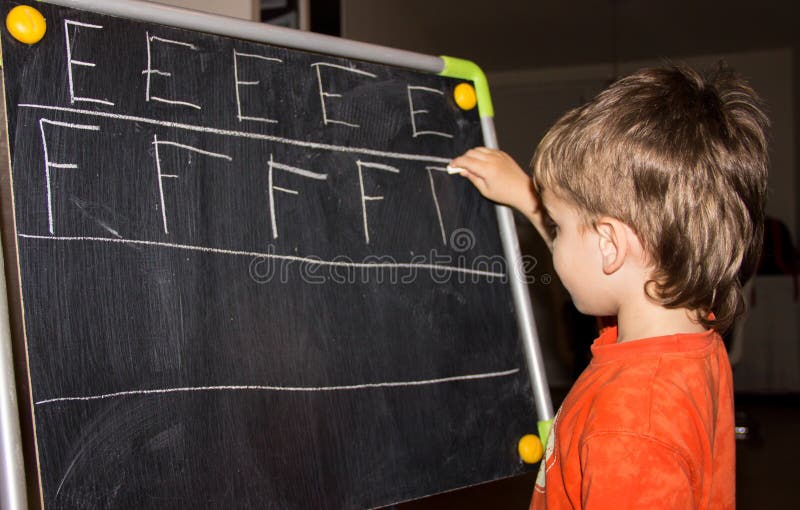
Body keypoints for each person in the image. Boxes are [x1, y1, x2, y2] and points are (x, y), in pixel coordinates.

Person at [450, 64, 769, 509]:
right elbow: (601, 265)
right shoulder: (686, 336)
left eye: (558, 227)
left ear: (610, 245)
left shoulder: (632, 430)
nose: (554, 237)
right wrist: (528, 196)